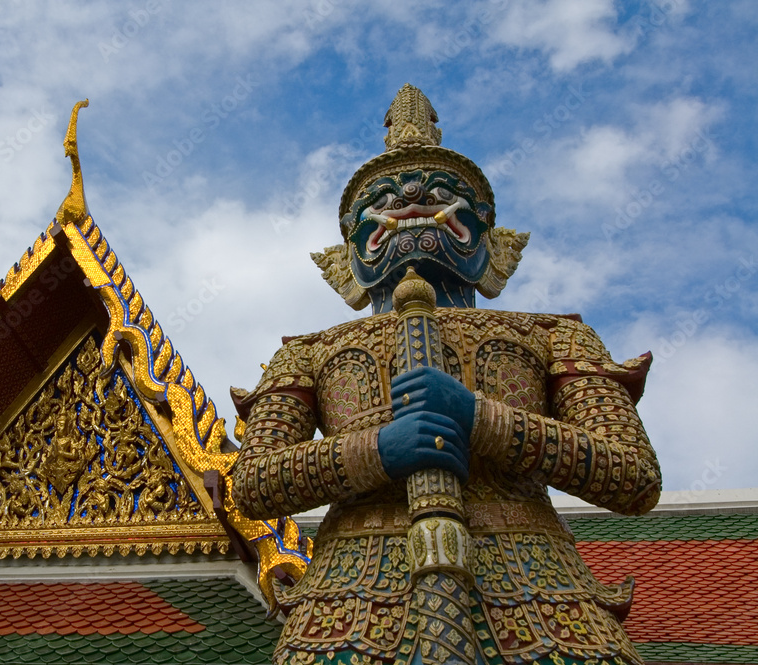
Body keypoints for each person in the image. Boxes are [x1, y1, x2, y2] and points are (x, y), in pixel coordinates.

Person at [230, 84, 661, 665]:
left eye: (443, 194)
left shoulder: (554, 336)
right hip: (352, 596)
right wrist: (378, 449)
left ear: (491, 243)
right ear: (348, 255)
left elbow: (633, 476)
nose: (411, 199)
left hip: (536, 587)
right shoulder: (309, 352)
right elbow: (253, 484)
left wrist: (479, 418)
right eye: (382, 199)